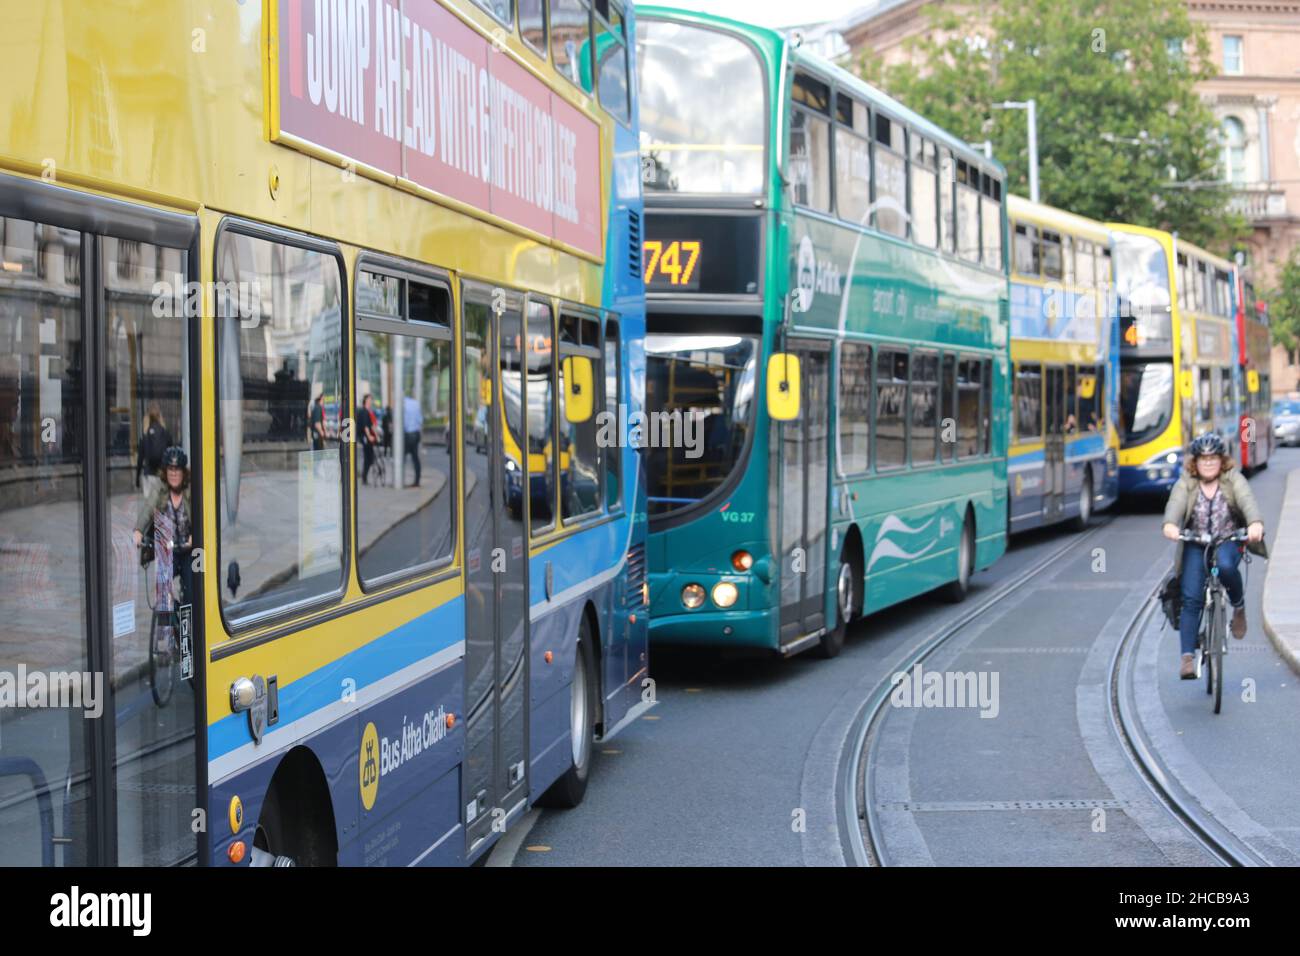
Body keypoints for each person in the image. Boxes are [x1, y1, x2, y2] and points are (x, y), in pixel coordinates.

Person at [1161, 432, 1265, 679]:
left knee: (1227, 567)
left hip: (1226, 540)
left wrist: (1255, 524)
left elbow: (1247, 500)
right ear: (1195, 462)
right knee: (1191, 597)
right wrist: (1170, 524)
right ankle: (1187, 657)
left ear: (1222, 460)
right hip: (1196, 544)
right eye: (1203, 459)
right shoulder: (1187, 482)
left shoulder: (1233, 479)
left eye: (1213, 458)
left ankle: (1238, 607)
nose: (1208, 463)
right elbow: (1175, 503)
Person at [133, 446, 193, 657]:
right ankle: (167, 638)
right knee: (163, 591)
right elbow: (148, 508)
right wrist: (139, 531)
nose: (174, 473)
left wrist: (196, 536)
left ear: (183, 472)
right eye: (170, 469)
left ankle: (190, 635)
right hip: (168, 550)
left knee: (192, 593)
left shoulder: (190, 491)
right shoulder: (161, 491)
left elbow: (202, 516)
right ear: (165, 472)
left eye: (177, 469)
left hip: (187, 550)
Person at [136, 402, 173, 500]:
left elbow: (140, 458)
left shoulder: (145, 433)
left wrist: (137, 478)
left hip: (148, 474)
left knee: (149, 506)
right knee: (161, 503)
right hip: (161, 474)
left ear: (147, 416)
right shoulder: (165, 433)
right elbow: (171, 453)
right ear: (159, 415)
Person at [358, 393, 379, 485]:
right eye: (370, 399)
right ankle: (364, 478)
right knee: (368, 458)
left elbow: (372, 426)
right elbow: (366, 426)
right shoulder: (364, 412)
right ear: (366, 401)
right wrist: (369, 436)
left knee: (370, 458)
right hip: (366, 438)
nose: (371, 401)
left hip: (369, 438)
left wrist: (377, 436)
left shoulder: (369, 412)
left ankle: (364, 477)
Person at [403, 393, 422, 487]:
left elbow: (402, 422)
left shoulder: (402, 404)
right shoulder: (416, 403)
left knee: (402, 457)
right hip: (416, 433)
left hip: (407, 434)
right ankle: (417, 480)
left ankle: (399, 479)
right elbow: (420, 420)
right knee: (415, 458)